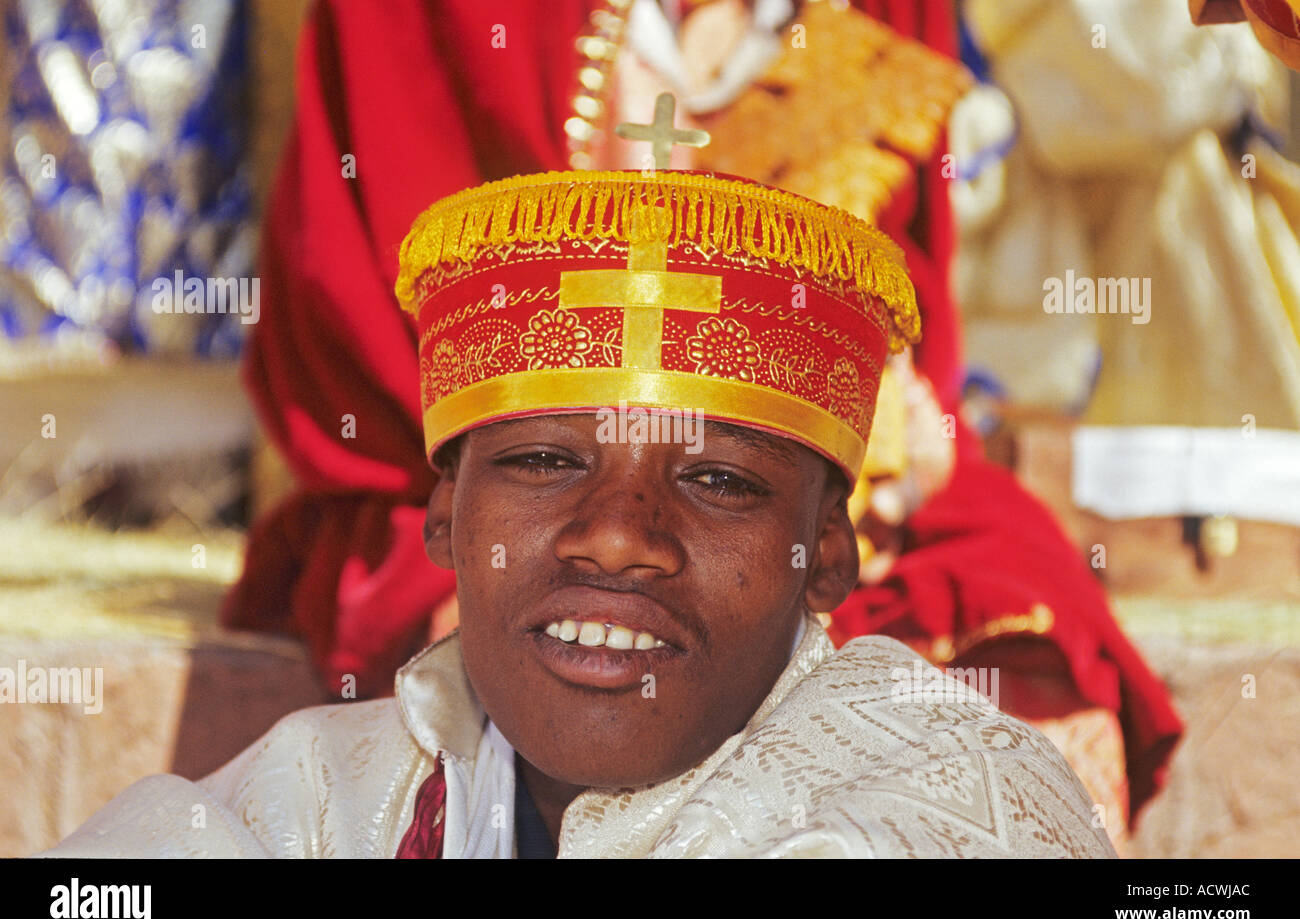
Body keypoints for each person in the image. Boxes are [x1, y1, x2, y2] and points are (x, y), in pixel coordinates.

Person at [221, 0, 1181, 850]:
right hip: (478, 449)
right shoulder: (285, 809)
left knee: (1033, 626)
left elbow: (901, 282)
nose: (621, 537)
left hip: (822, 462)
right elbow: (358, 295)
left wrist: (857, 439)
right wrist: (524, 448)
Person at [42, 168, 1114, 858]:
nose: (615, 533)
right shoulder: (319, 795)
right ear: (446, 520)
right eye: (547, 461)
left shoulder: (952, 809)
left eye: (717, 481)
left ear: (826, 554)